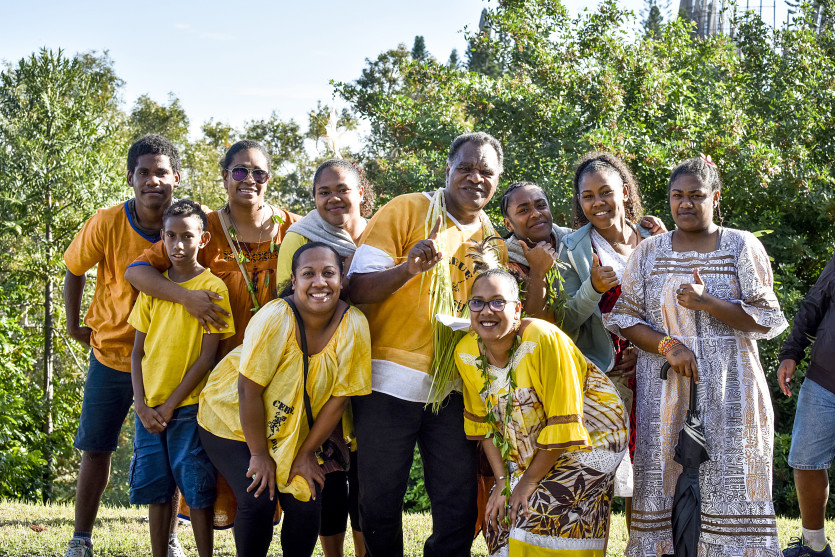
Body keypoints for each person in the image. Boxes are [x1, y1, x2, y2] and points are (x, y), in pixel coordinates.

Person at [605, 156, 788, 557]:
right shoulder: (649, 252)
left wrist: (710, 302)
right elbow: (624, 318)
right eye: (677, 196)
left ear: (715, 198)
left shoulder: (741, 245)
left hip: (732, 387)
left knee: (732, 483)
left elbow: (768, 319)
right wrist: (669, 346)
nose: (685, 204)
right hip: (665, 387)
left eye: (696, 195)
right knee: (665, 481)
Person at [348, 131, 507, 556]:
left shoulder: (493, 244)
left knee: (456, 505)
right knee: (378, 503)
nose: (475, 177)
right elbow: (356, 289)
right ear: (449, 169)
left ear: (497, 180)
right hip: (387, 385)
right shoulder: (408, 209)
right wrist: (409, 268)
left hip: (455, 390)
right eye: (466, 168)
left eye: (486, 171)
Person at [125, 139, 300, 527]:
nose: (248, 179)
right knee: (215, 473)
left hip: (280, 367)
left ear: (269, 178)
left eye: (258, 172)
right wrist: (186, 299)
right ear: (224, 177)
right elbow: (136, 271)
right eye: (239, 171)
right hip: (219, 373)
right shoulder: (203, 226)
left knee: (279, 466)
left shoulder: (292, 227)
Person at [197, 242, 372, 557]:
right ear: (294, 281)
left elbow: (339, 399)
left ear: (342, 279)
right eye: (308, 274)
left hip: (290, 429)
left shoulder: (355, 325)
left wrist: (305, 453)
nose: (319, 282)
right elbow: (247, 390)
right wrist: (259, 455)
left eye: (328, 273)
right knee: (257, 498)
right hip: (231, 420)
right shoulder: (276, 318)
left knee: (307, 497)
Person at [63, 135, 185, 557]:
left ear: (177, 178)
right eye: (145, 172)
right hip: (112, 355)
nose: (154, 180)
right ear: (130, 177)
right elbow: (73, 269)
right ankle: (81, 538)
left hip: (166, 359)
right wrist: (73, 323)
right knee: (96, 448)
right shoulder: (107, 221)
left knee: (168, 454)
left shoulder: (188, 224)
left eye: (162, 173)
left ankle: (168, 540)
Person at [455, 268, 627, 556]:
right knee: (499, 519)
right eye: (478, 302)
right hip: (534, 448)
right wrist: (502, 483)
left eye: (498, 302)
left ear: (517, 308)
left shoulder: (542, 339)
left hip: (593, 438)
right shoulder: (466, 352)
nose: (487, 311)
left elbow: (565, 421)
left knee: (532, 510)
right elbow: (484, 427)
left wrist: (528, 482)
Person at [557, 152, 666, 521]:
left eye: (605, 192)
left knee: (653, 466)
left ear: (624, 191)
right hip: (608, 371)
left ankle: (647, 543)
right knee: (604, 467)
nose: (597, 202)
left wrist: (650, 349)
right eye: (587, 196)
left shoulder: (654, 236)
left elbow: (674, 302)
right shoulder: (574, 248)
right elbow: (565, 320)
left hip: (659, 363)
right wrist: (591, 287)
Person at [276, 158, 373, 557]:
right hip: (321, 369)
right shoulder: (300, 237)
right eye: (323, 192)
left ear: (361, 193)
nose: (333, 198)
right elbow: (286, 301)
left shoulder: (379, 233)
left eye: (342, 189)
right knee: (330, 471)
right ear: (314, 198)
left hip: (377, 363)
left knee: (368, 475)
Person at [128, 200, 234, 557]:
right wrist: (141, 404)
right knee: (157, 492)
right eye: (171, 236)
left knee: (198, 490)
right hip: (149, 409)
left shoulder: (213, 287)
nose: (178, 244)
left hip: (188, 409)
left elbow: (207, 357)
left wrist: (172, 405)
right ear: (162, 237)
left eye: (187, 236)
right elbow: (136, 352)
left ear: (202, 239)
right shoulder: (153, 288)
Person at [777, 251, 835, 557]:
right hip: (824, 379)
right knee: (805, 460)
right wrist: (790, 353)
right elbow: (814, 304)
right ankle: (814, 545)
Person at [499, 181, 571, 319]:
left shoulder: (573, 241)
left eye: (541, 205)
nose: (536, 214)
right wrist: (538, 271)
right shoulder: (503, 262)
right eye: (524, 210)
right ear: (508, 225)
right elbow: (532, 323)